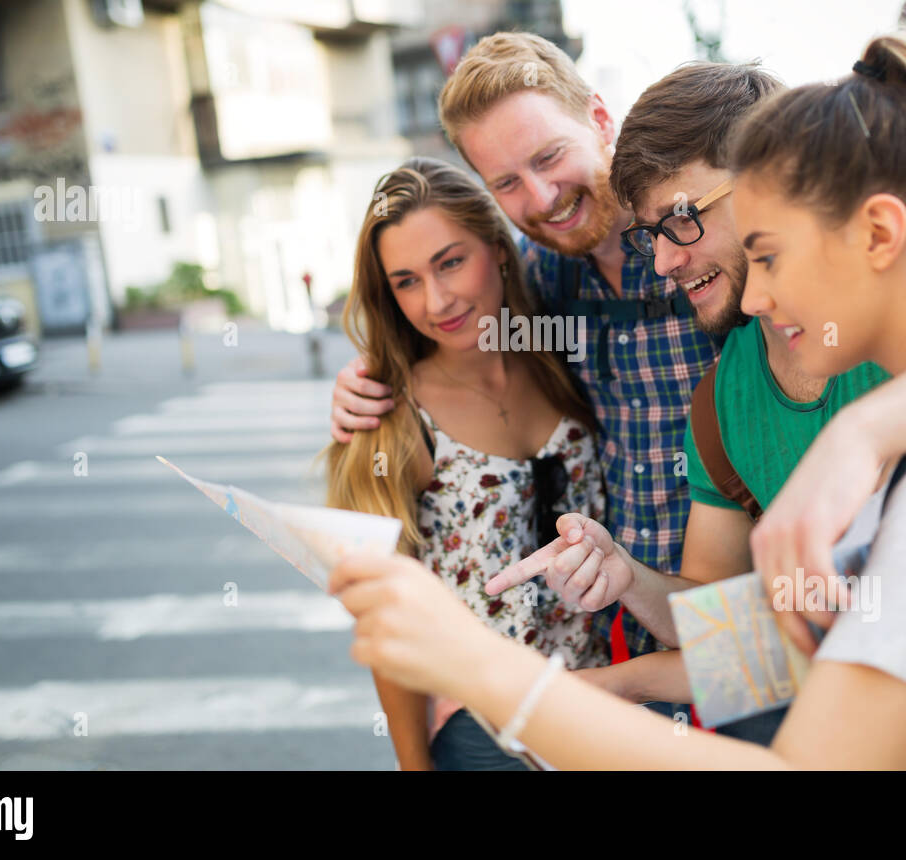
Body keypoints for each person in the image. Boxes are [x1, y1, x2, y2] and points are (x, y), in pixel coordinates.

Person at [330, 30, 906, 769]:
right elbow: (772, 644)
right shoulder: (606, 317)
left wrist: (495, 675)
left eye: (764, 250)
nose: (749, 298)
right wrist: (378, 379)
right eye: (504, 180)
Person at [329, 34, 771, 660]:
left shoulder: (709, 248)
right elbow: (440, 327)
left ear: (598, 118)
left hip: (756, 635)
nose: (540, 198)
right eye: (506, 182)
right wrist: (366, 382)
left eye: (549, 157)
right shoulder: (538, 282)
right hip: (626, 637)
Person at [323, 157, 609, 771]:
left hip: (604, 710)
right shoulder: (391, 420)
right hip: (483, 732)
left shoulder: (561, 360)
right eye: (405, 281)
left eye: (451, 261)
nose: (437, 300)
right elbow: (383, 617)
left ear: (499, 250)